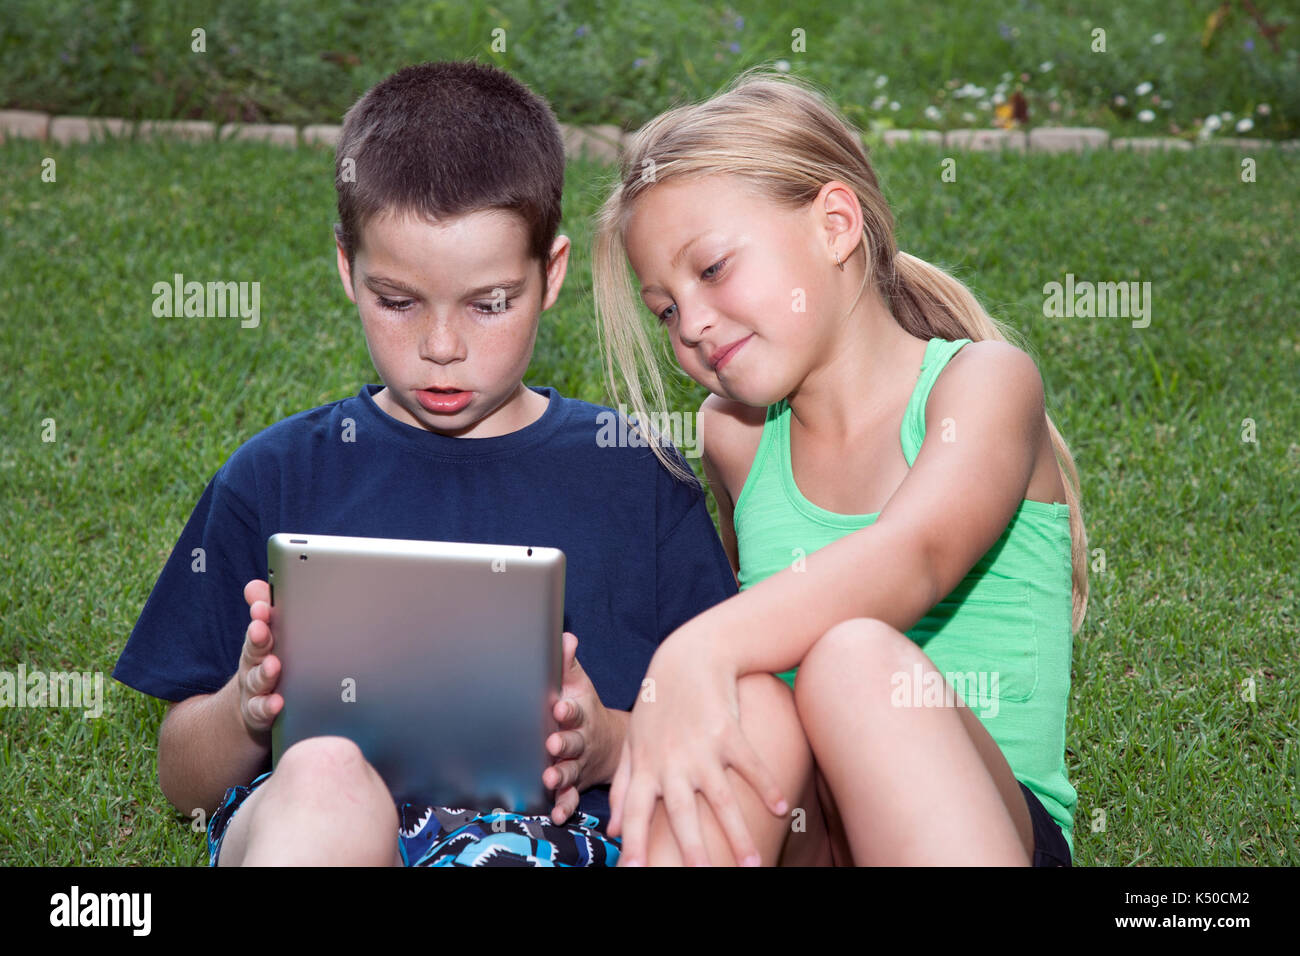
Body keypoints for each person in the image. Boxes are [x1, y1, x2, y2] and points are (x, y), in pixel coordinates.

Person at [112, 60, 737, 867]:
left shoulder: (638, 479)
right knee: (327, 772)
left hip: (556, 843)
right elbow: (182, 780)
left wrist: (607, 743)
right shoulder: (275, 478)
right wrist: (246, 709)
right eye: (399, 301)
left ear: (549, 276)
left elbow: (720, 730)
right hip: (328, 832)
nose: (442, 348)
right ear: (348, 269)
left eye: (488, 304)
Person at [591, 68, 1086, 866]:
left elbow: (912, 556)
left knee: (853, 663)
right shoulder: (736, 439)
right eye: (666, 309)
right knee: (751, 699)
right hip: (807, 832)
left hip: (983, 828)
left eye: (712, 269)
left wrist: (698, 648)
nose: (693, 325)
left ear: (834, 224)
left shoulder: (982, 386)